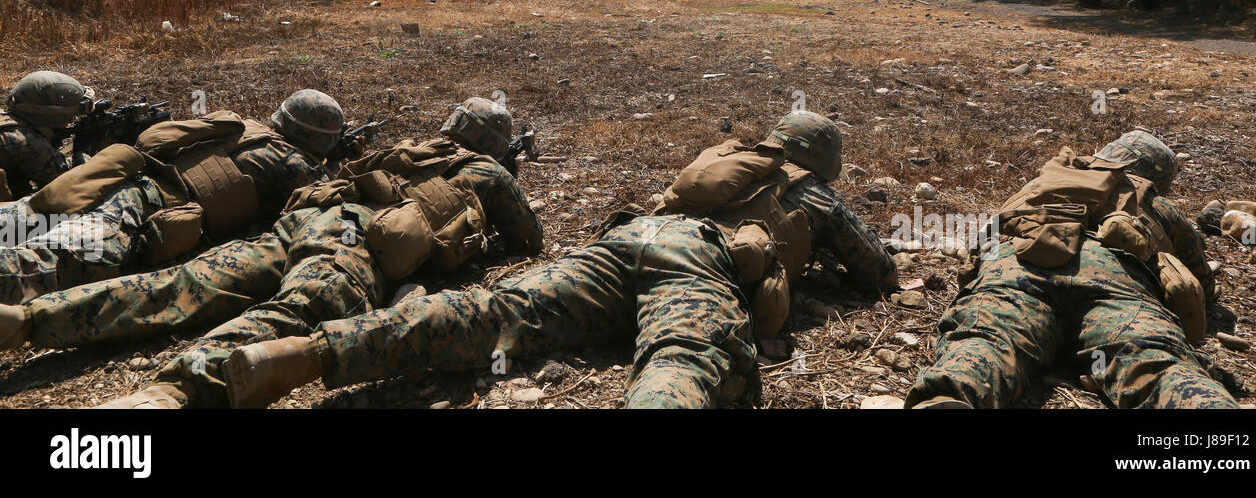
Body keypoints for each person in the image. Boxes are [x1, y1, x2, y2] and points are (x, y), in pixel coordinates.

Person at [221, 111, 897, 409]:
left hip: (626, 243)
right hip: (704, 262)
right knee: (685, 355)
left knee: (492, 312)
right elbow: (876, 272)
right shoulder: (813, 194)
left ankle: (301, 356)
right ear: (824, 164)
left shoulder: (721, 160)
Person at [0, 117, 543, 409]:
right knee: (298, 312)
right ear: (495, 144)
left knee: (186, 282)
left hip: (304, 220)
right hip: (354, 239)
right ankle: (177, 392)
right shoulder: (486, 171)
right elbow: (529, 240)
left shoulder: (415, 146)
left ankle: (28, 320)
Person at [905, 130, 1236, 409]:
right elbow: (1200, 280)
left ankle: (950, 394)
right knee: (1152, 359)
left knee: (989, 341)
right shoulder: (1154, 201)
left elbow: (988, 237)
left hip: (1021, 266)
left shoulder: (1051, 179)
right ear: (1157, 177)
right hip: (1116, 281)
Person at [0, 89, 343, 303]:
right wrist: (339, 164)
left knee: (18, 222)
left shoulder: (244, 127)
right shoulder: (293, 162)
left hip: (112, 179)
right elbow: (324, 201)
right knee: (53, 263)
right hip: (138, 207)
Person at [0, 71, 95, 200]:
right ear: (51, 117)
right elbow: (71, 190)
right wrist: (82, 152)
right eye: (70, 116)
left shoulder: (6, 123)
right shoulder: (27, 143)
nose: (72, 121)